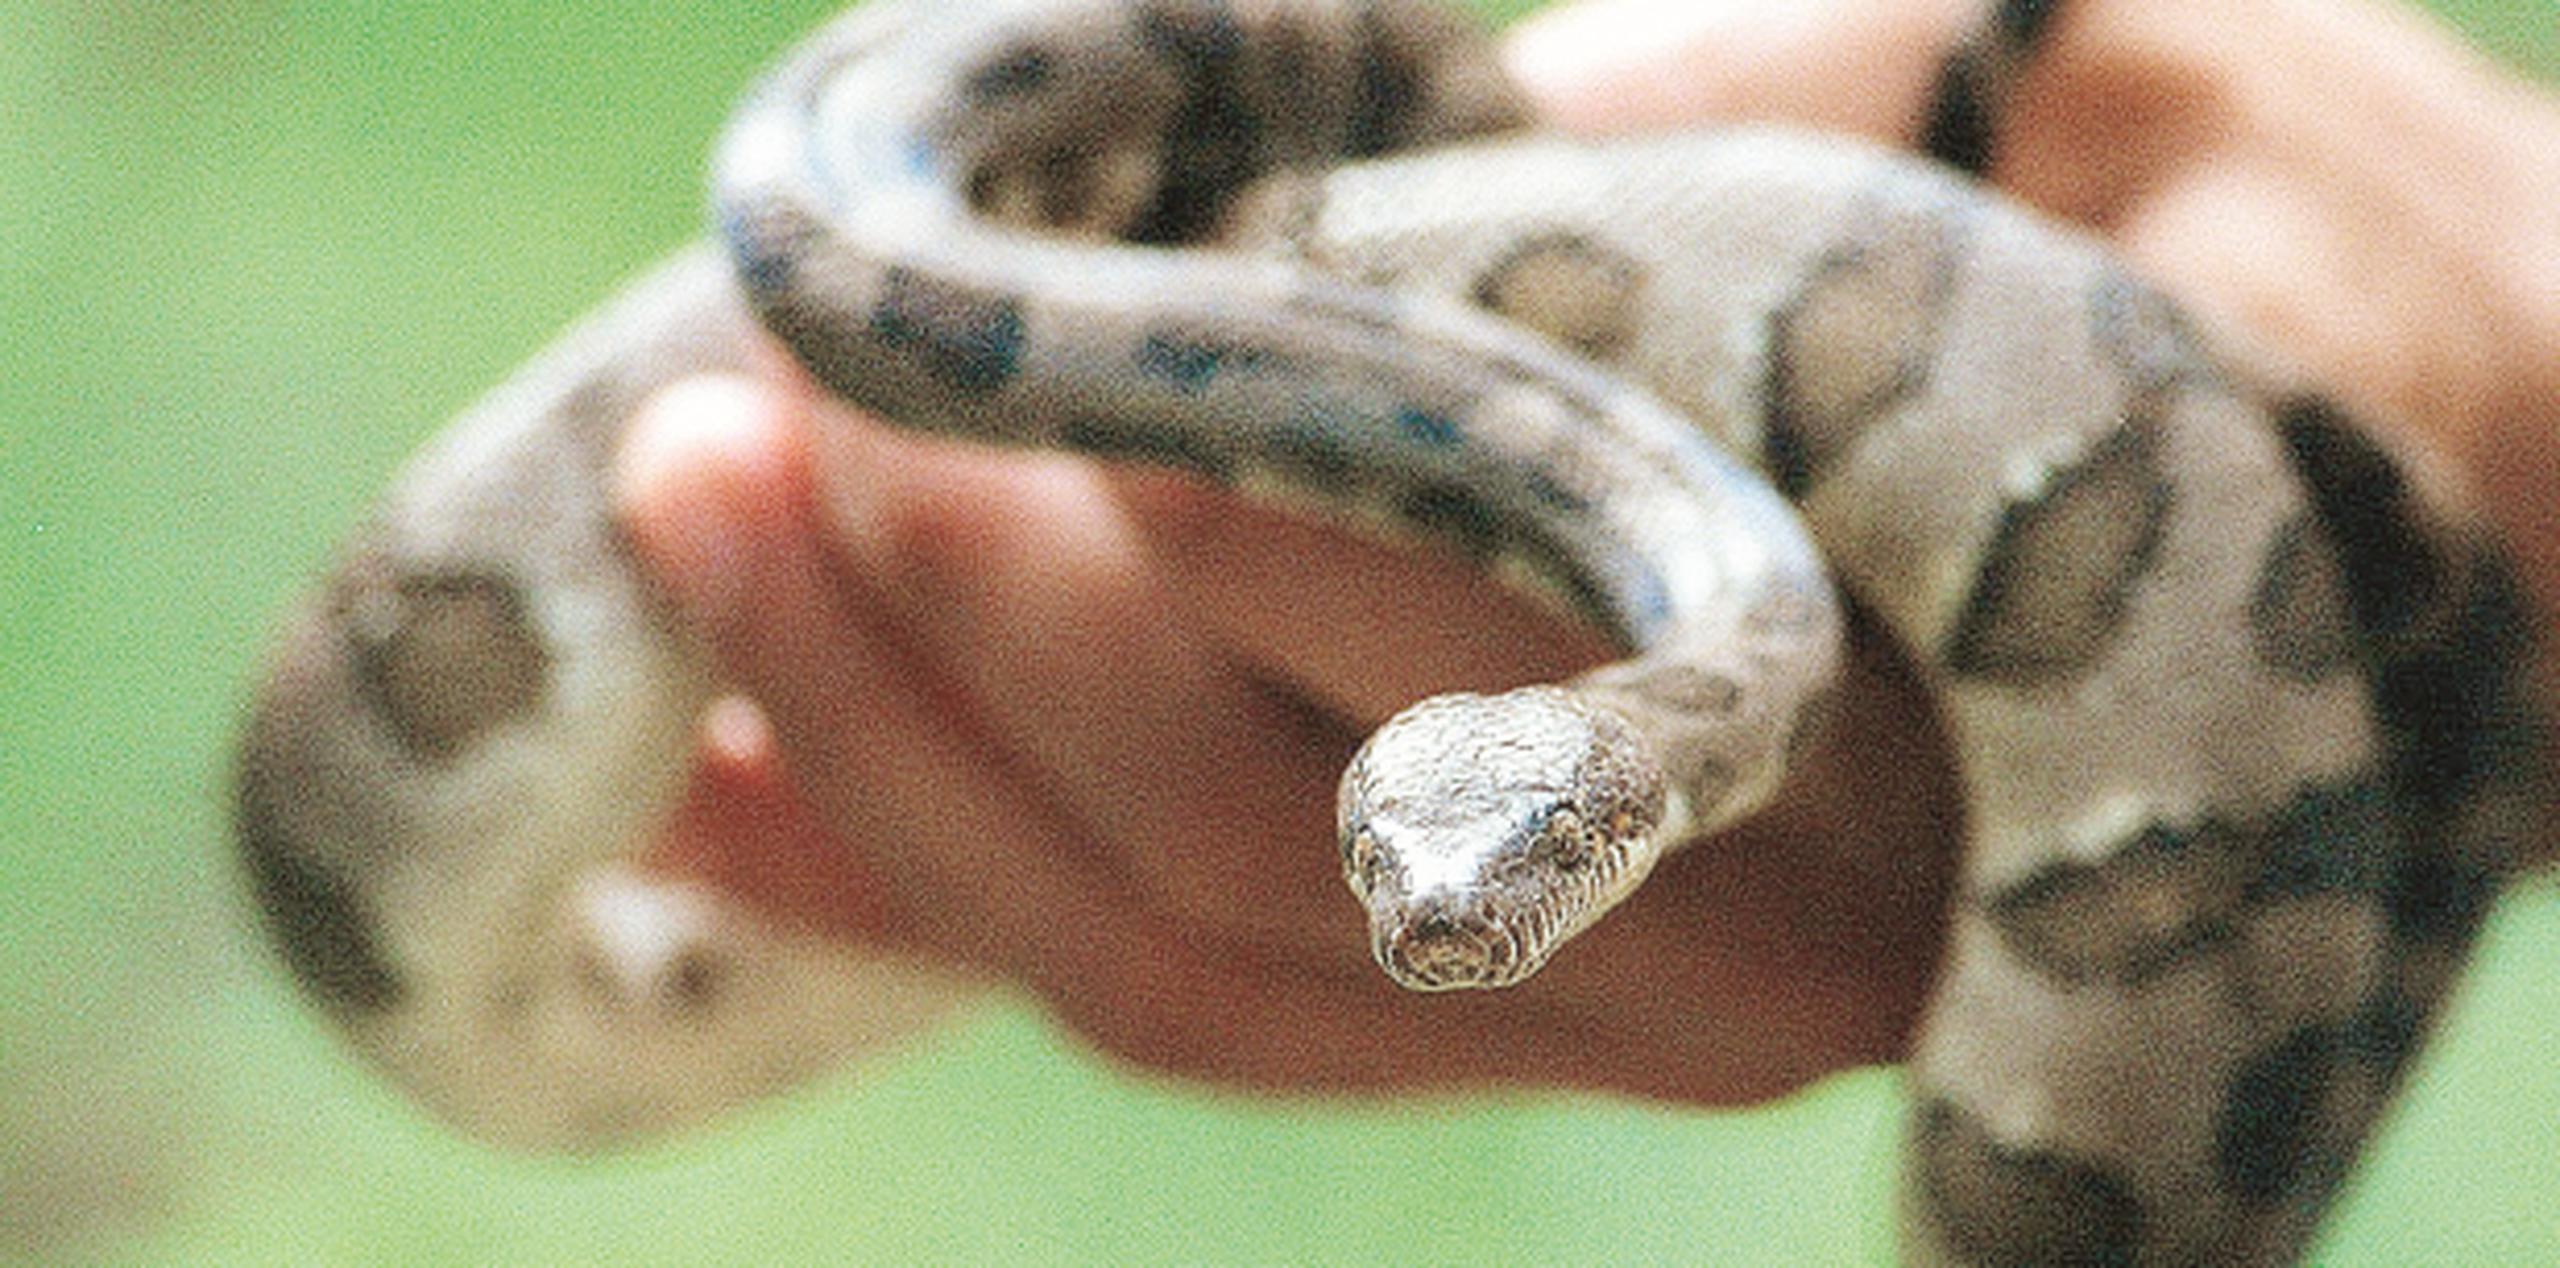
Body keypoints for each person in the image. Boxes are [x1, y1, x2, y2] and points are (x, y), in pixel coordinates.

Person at [610, 0, 2560, 1106]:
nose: (1446, 905)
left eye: (1523, 850)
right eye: (1404, 853)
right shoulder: (1695, 611)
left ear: (1619, 809)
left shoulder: (1721, 639)